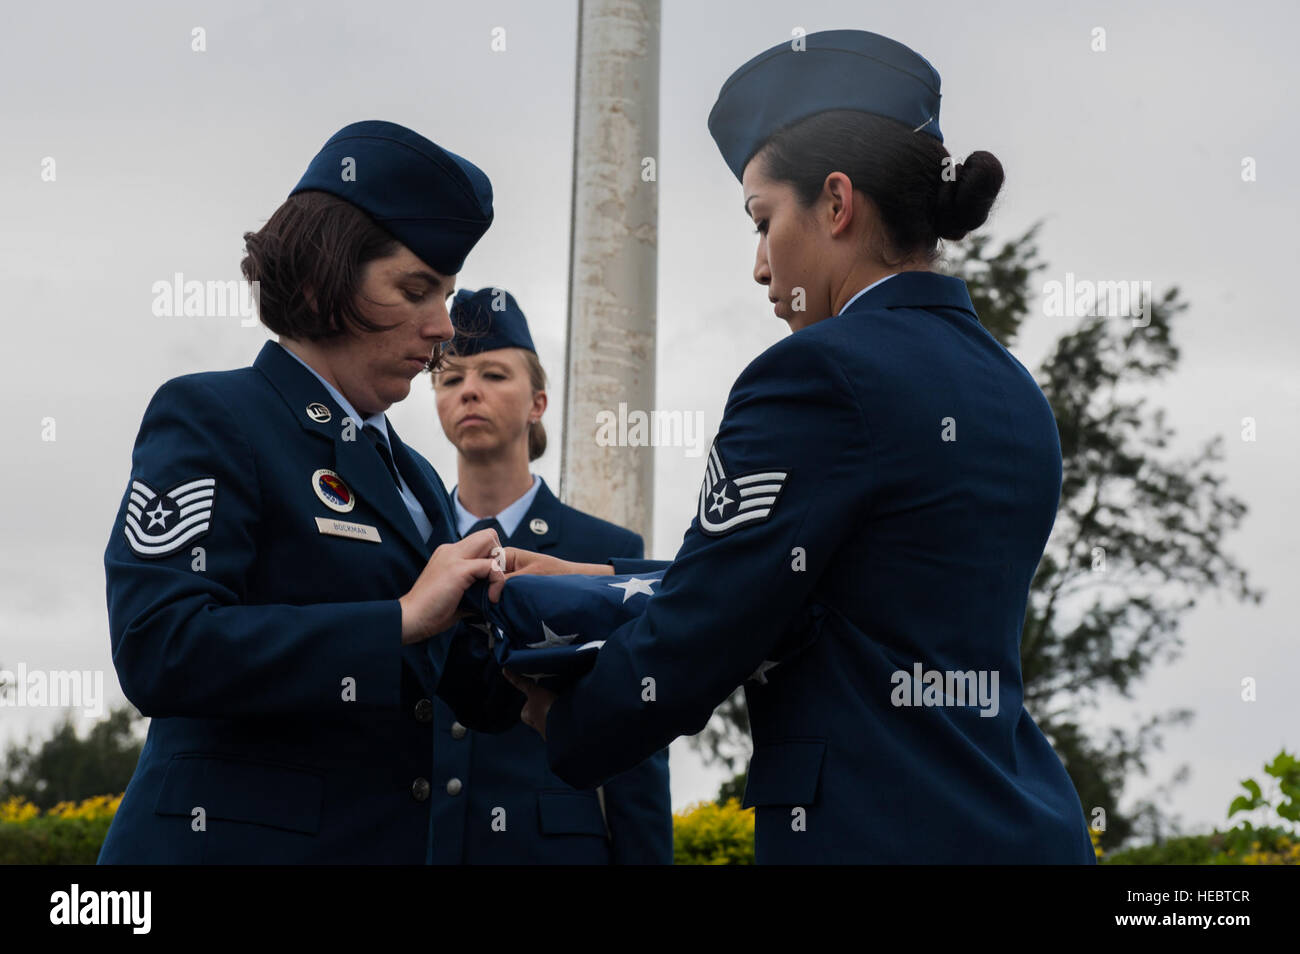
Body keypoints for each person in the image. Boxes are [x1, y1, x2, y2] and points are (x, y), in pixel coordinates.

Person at [500, 30, 1097, 864]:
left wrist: (569, 724)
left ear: (838, 202)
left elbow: (716, 619)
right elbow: (833, 592)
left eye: (763, 219)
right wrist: (605, 580)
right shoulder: (1011, 388)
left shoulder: (816, 374)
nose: (758, 265)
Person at [98, 120, 522, 864]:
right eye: (416, 290)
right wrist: (395, 619)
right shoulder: (214, 415)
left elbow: (460, 688)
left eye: (446, 295)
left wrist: (580, 617)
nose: (443, 329)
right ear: (317, 280)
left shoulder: (416, 475)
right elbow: (159, 647)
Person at [425, 287, 672, 864]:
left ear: (538, 402)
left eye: (493, 374)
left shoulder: (604, 551)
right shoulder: (411, 543)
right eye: (451, 378)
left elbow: (635, 745)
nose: (470, 391)